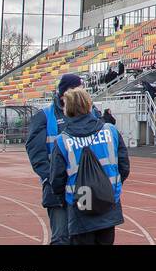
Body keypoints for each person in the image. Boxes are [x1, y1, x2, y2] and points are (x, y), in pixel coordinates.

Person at [48, 87, 129, 245]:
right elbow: (124, 167)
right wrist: (111, 188)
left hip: (79, 208)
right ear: (89, 105)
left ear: (67, 109)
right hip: (108, 203)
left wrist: (65, 200)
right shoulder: (110, 131)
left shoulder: (62, 141)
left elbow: (56, 180)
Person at [27, 73, 81, 245]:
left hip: (82, 186)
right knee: (60, 237)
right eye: (78, 89)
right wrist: (49, 178)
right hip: (56, 189)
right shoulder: (44, 116)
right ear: (66, 91)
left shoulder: (88, 114)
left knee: (82, 236)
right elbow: (36, 152)